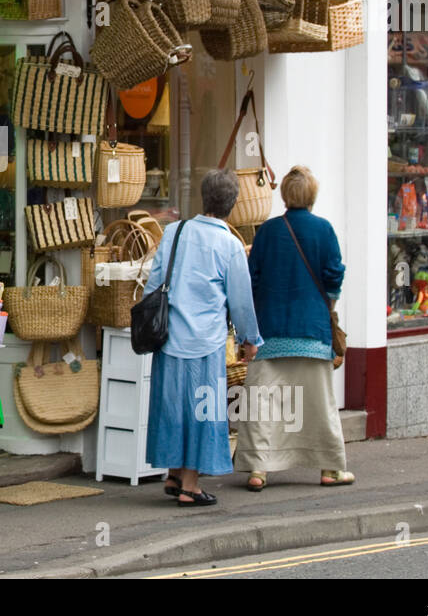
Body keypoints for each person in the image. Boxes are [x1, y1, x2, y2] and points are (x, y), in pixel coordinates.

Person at [143, 169, 263, 507]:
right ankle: (190, 487)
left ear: (203, 197)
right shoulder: (230, 245)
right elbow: (241, 301)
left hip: (168, 337)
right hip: (205, 342)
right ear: (233, 204)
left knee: (172, 407)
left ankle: (173, 473)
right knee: (201, 412)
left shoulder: (174, 232)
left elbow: (154, 284)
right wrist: (250, 339)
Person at [235, 165, 353, 491]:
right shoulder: (324, 229)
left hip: (270, 331)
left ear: (285, 194)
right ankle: (330, 468)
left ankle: (258, 469)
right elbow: (334, 276)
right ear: (312, 195)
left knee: (262, 403)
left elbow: (252, 279)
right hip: (312, 331)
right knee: (319, 403)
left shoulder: (268, 232)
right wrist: (329, 303)